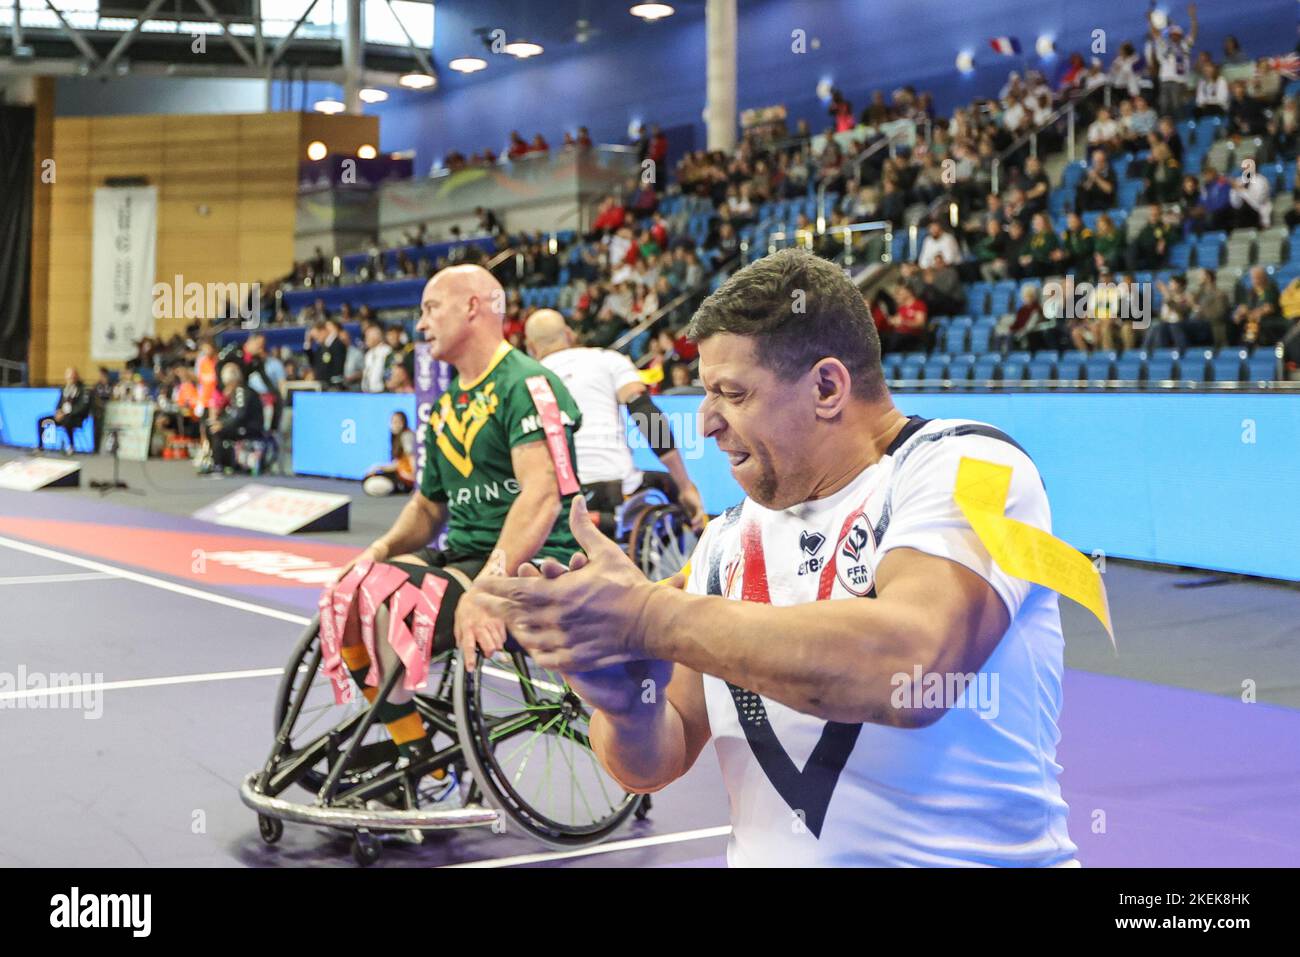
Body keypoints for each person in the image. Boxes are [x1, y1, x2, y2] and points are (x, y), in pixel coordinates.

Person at [474, 249, 1079, 867]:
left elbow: (913, 668)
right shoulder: (722, 542)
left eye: (730, 393)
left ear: (826, 387)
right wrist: (625, 701)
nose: (706, 422)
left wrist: (648, 617)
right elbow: (658, 759)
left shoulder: (979, 469)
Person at [323, 264, 585, 774]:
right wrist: (374, 552)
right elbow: (427, 508)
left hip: (531, 563)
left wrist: (490, 583)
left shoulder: (529, 385)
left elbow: (542, 494)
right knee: (347, 591)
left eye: (430, 308)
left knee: (388, 598)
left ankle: (416, 754)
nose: (421, 325)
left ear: (473, 307)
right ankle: (415, 744)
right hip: (460, 558)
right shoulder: (445, 407)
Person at [523, 309, 707, 537]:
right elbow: (647, 416)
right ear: (570, 334)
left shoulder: (526, 380)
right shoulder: (606, 359)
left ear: (530, 347)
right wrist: (685, 486)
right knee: (668, 484)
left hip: (561, 496)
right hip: (616, 487)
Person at [200, 363, 264, 474]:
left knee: (217, 430)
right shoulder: (236, 392)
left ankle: (218, 463)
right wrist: (219, 421)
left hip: (250, 427)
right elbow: (230, 413)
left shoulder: (241, 391)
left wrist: (222, 424)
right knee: (210, 426)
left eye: (228, 384)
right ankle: (216, 458)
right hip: (241, 424)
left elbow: (239, 414)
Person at [35, 367, 92, 455]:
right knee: (41, 420)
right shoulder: (64, 390)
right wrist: (58, 412)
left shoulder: (83, 390)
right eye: (68, 377)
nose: (70, 379)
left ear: (76, 377)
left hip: (76, 418)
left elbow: (82, 407)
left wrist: (67, 413)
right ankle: (40, 446)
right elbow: (58, 404)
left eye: (72, 376)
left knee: (67, 421)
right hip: (62, 416)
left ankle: (71, 446)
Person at [363, 411, 417, 497]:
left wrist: (415, 480)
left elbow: (412, 458)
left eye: (397, 422)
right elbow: (397, 464)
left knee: (371, 485)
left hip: (406, 480)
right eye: (392, 422)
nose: (394, 425)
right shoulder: (396, 438)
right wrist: (378, 467)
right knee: (368, 478)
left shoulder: (407, 436)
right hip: (399, 474)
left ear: (403, 423)